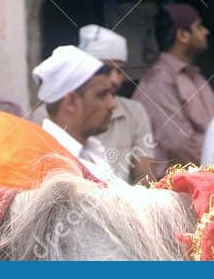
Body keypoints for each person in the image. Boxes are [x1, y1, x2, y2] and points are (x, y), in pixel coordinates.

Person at [47, 25, 160, 183]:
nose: (114, 79)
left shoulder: (133, 113)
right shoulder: (47, 121)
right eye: (106, 69)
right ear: (71, 102)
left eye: (119, 71)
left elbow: (146, 178)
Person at [132, 2, 214, 169]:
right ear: (183, 35)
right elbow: (178, 144)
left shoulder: (195, 77)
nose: (206, 31)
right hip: (184, 180)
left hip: (211, 172)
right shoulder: (159, 81)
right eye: (199, 27)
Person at [32, 45, 121, 182]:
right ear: (71, 102)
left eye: (111, 94)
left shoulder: (93, 149)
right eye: (102, 95)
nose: (112, 104)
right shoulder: (53, 164)